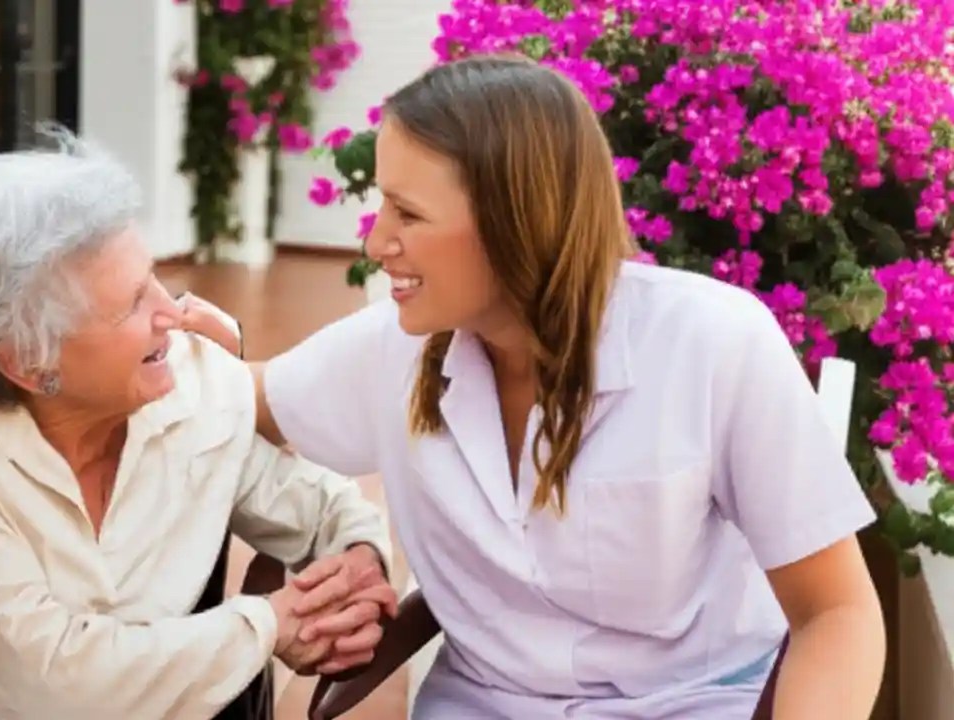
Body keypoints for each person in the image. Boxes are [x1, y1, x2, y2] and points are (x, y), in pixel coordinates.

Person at [186, 56, 886, 718]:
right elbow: (236, 400)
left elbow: (837, 615)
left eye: (407, 213)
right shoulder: (393, 350)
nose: (375, 243)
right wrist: (161, 340)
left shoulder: (713, 344)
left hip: (691, 703)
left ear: (514, 220)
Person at [0, 131, 396, 720]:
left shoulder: (190, 383)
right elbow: (46, 687)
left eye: (155, 276)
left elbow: (324, 508)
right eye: (132, 302)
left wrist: (357, 570)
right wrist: (267, 625)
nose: (174, 312)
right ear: (29, 361)